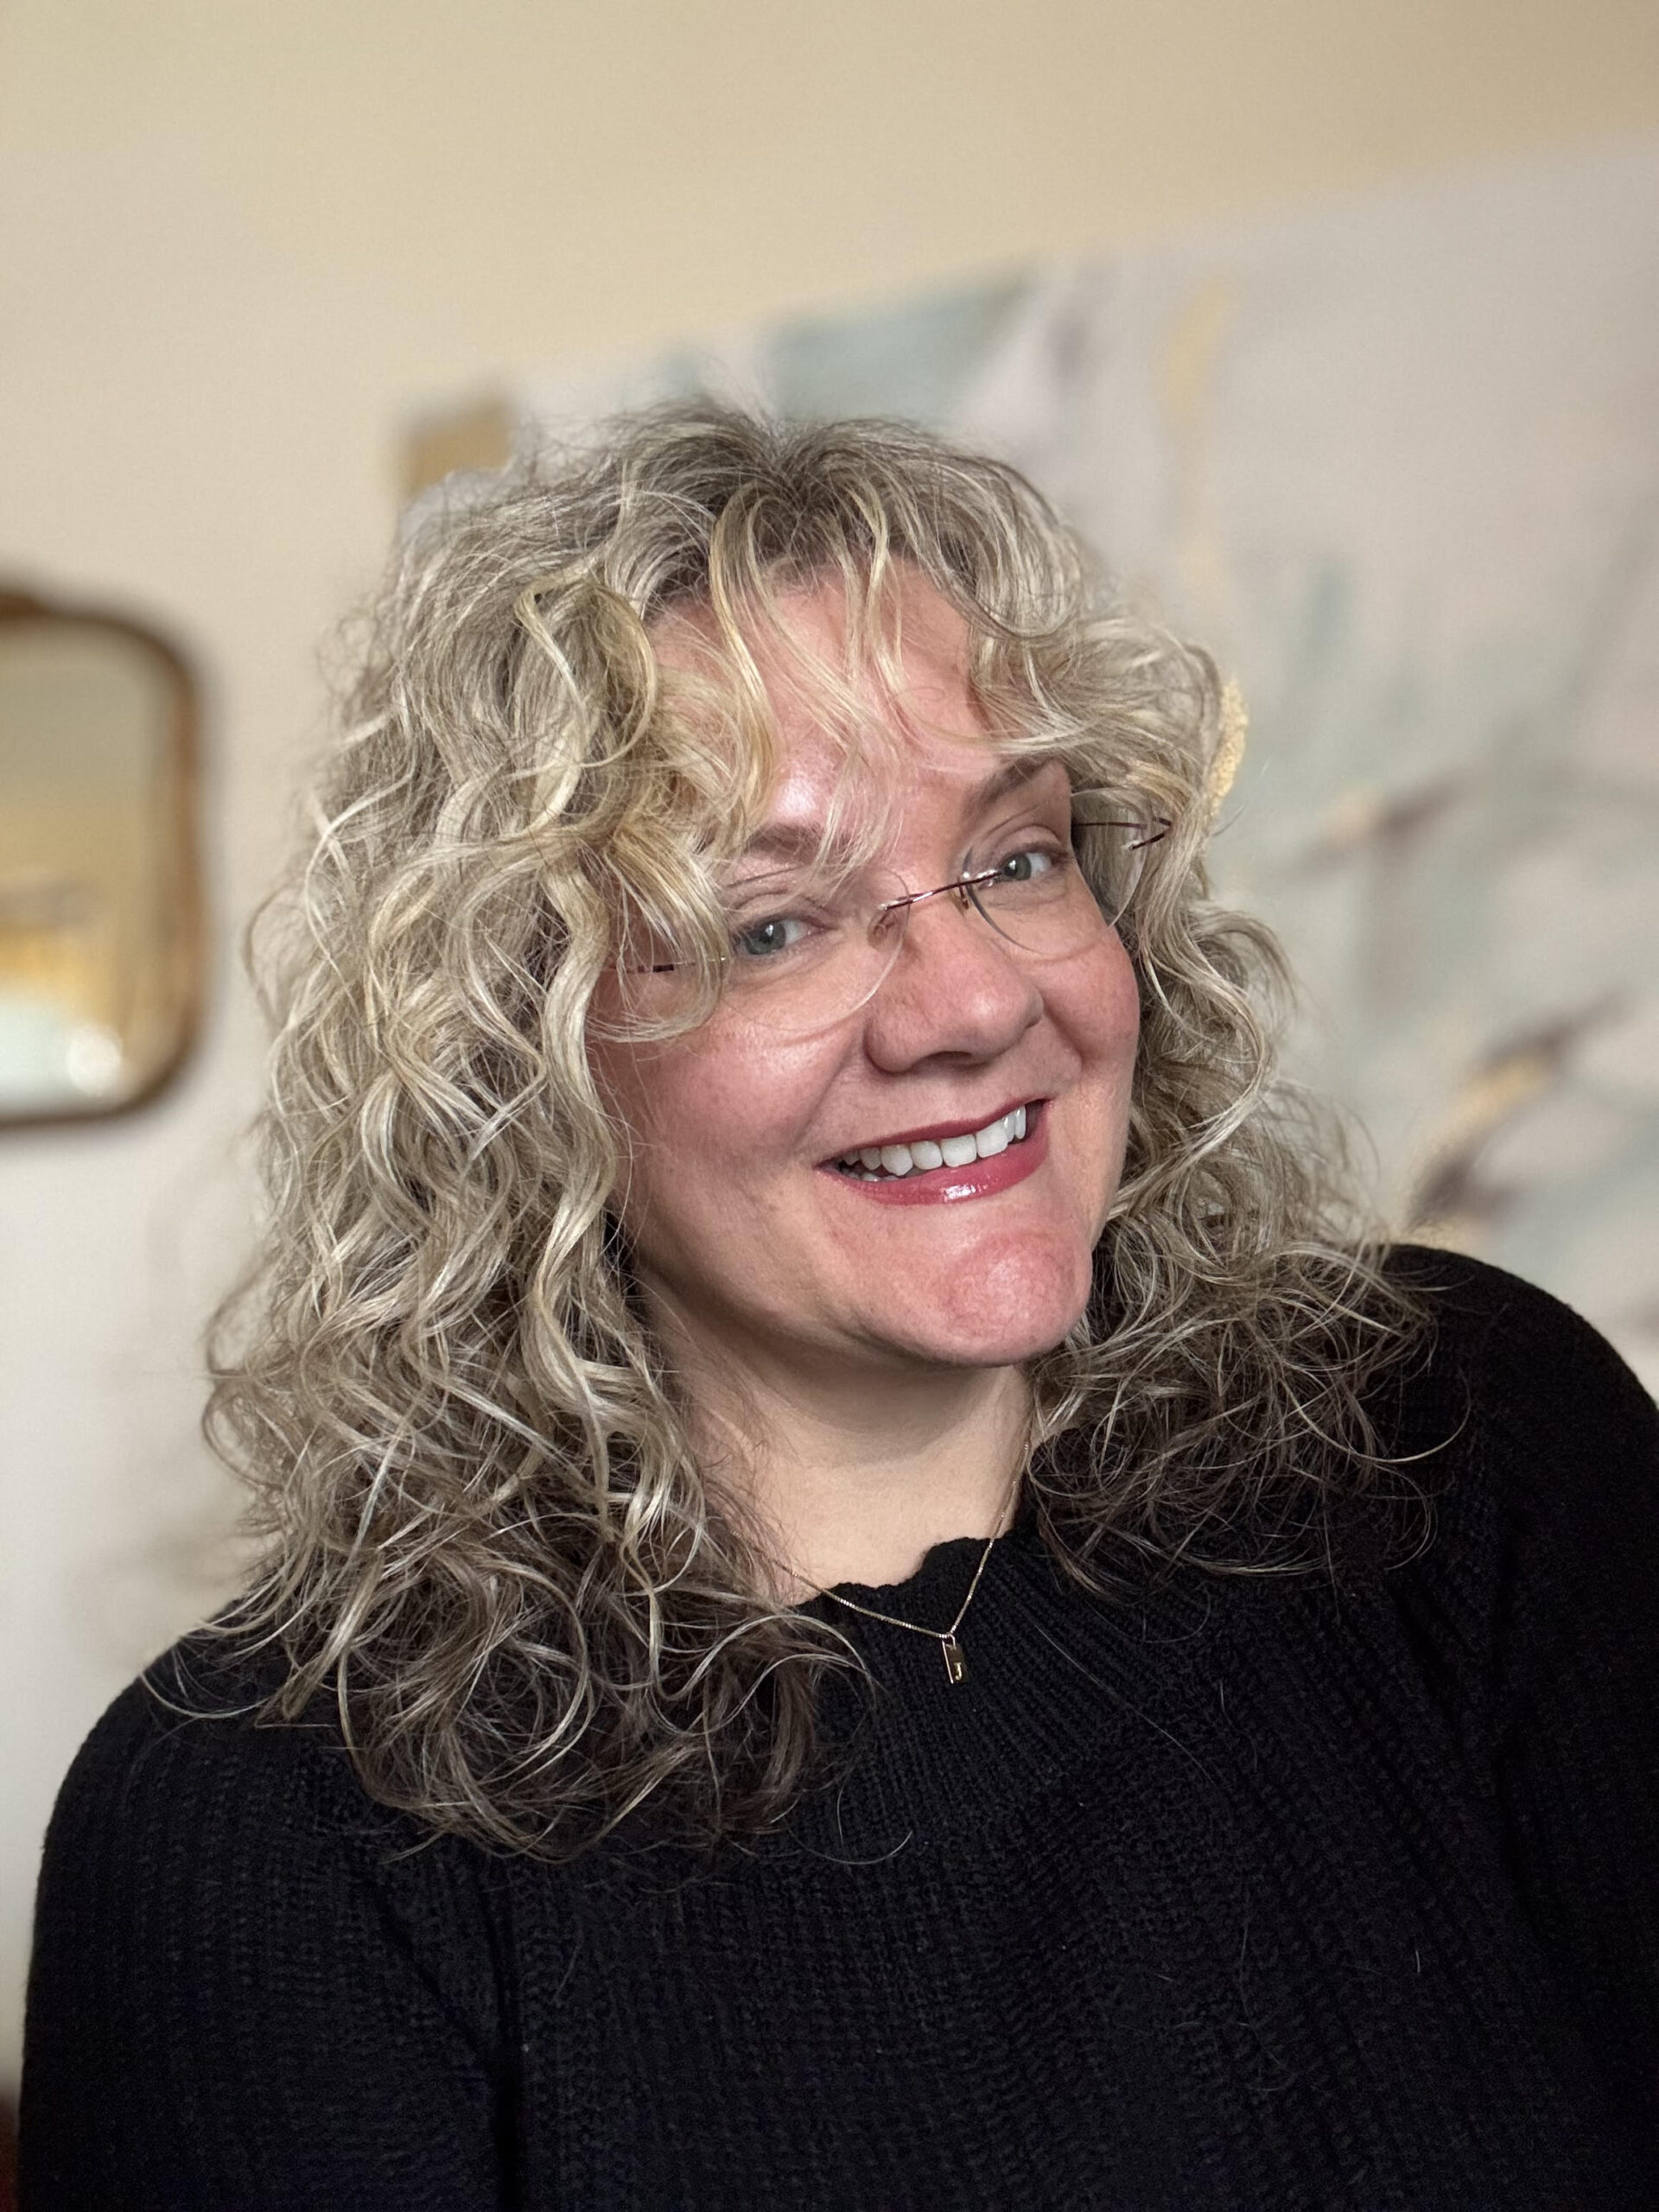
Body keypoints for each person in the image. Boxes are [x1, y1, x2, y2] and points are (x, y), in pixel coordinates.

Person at [20, 406, 1659, 2209]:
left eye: (1017, 857)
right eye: (773, 924)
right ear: (525, 1057)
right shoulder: (267, 1852)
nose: (972, 1003)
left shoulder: (1461, 1443)